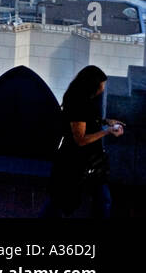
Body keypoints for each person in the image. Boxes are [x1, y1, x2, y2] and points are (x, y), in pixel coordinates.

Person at [41, 65, 126, 218]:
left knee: (63, 201)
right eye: (101, 85)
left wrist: (106, 121)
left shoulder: (82, 100)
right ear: (92, 85)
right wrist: (107, 131)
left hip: (83, 162)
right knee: (61, 202)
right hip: (76, 162)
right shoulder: (78, 104)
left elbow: (87, 120)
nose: (102, 89)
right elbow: (80, 139)